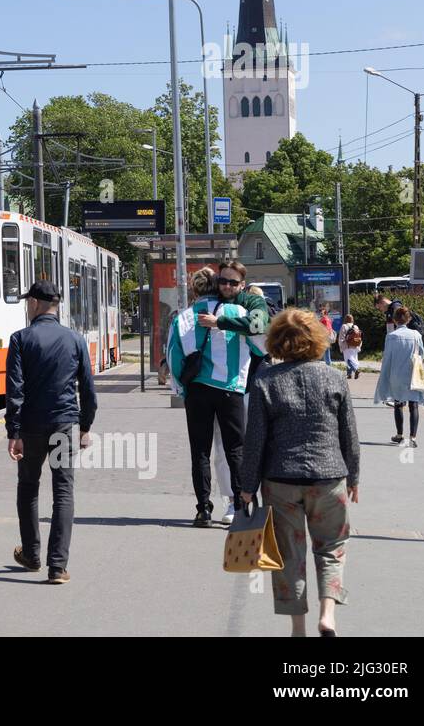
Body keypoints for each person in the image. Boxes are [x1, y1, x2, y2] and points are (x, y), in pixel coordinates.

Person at [238, 309, 360, 637]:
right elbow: (348, 432)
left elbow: (255, 440)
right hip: (329, 477)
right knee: (332, 546)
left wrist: (247, 486)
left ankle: (297, 629)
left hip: (280, 480)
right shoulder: (334, 378)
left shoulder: (266, 381)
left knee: (289, 554)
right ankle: (328, 614)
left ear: (276, 341)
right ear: (317, 340)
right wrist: (355, 478)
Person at [5, 279, 97, 585]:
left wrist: (13, 431)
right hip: (63, 425)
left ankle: (31, 554)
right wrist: (85, 426)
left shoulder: (20, 339)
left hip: (30, 427)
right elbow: (88, 389)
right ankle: (57, 567)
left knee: (28, 487)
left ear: (34, 303)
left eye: (27, 302)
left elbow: (14, 391)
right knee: (63, 492)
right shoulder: (75, 339)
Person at [167, 261, 265, 527]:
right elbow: (261, 348)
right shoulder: (240, 312)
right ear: (218, 284)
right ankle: (239, 505)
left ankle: (203, 509)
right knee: (236, 450)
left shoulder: (185, 317)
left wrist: (182, 387)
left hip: (197, 390)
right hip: (231, 390)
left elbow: (173, 356)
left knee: (199, 450)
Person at [212, 282, 271, 524]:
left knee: (249, 446)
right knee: (226, 449)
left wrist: (226, 323)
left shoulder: (253, 317)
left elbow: (260, 336)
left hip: (250, 389)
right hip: (225, 389)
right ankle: (233, 500)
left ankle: (250, 498)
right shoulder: (215, 311)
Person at [374, 304, 424, 447]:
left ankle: (399, 434)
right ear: (408, 320)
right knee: (413, 405)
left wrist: (384, 376)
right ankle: (413, 437)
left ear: (395, 320)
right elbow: (421, 354)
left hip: (396, 375)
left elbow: (387, 358)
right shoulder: (416, 335)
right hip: (412, 374)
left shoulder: (391, 336)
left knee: (398, 404)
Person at [338, 313, 362, 379]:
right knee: (353, 359)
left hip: (347, 346)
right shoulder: (356, 326)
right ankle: (349, 374)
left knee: (348, 360)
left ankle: (356, 370)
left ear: (345, 319)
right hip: (355, 345)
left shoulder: (344, 326)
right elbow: (359, 336)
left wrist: (341, 345)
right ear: (352, 319)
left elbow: (341, 337)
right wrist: (359, 345)